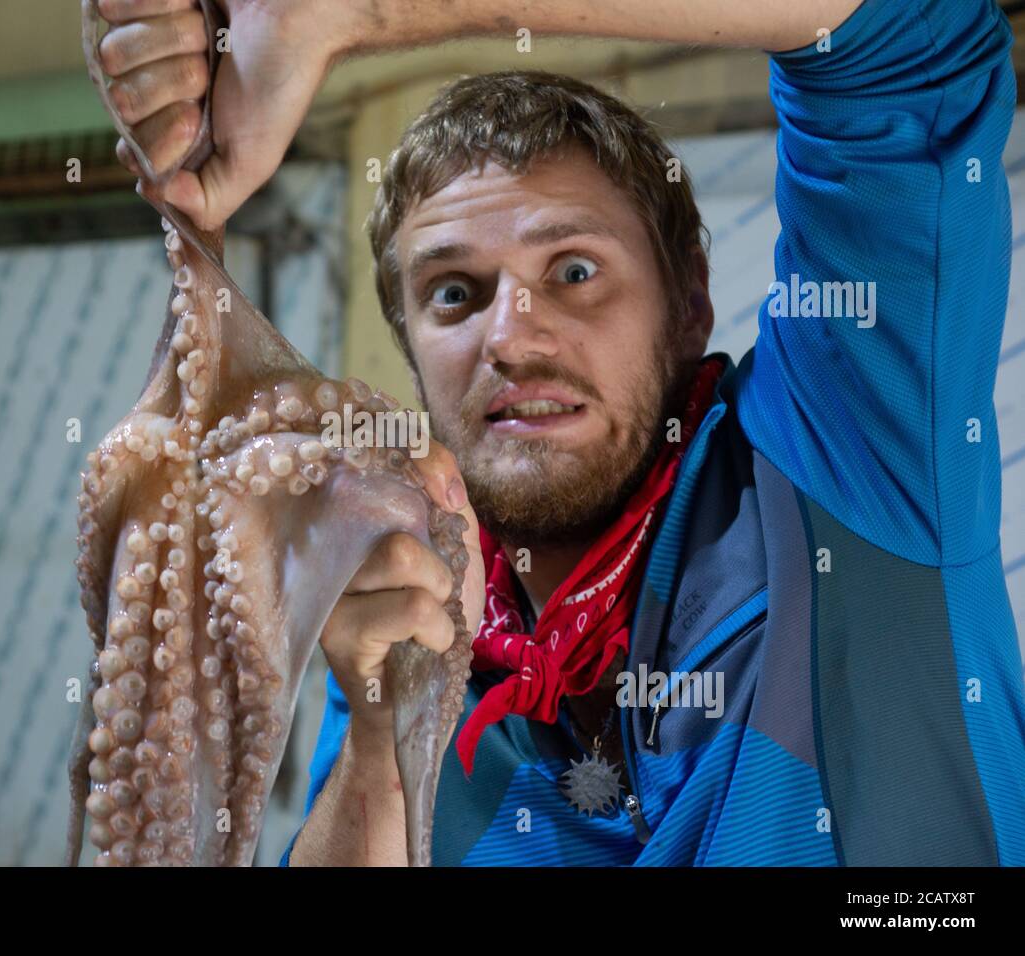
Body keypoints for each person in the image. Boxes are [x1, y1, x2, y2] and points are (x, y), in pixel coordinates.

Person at [97, 0, 1024, 865]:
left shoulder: (847, 456)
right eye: (454, 293)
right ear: (410, 347)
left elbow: (904, 37)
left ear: (690, 301)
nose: (511, 337)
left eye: (576, 269)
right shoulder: (412, 600)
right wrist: (380, 730)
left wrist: (327, 13)